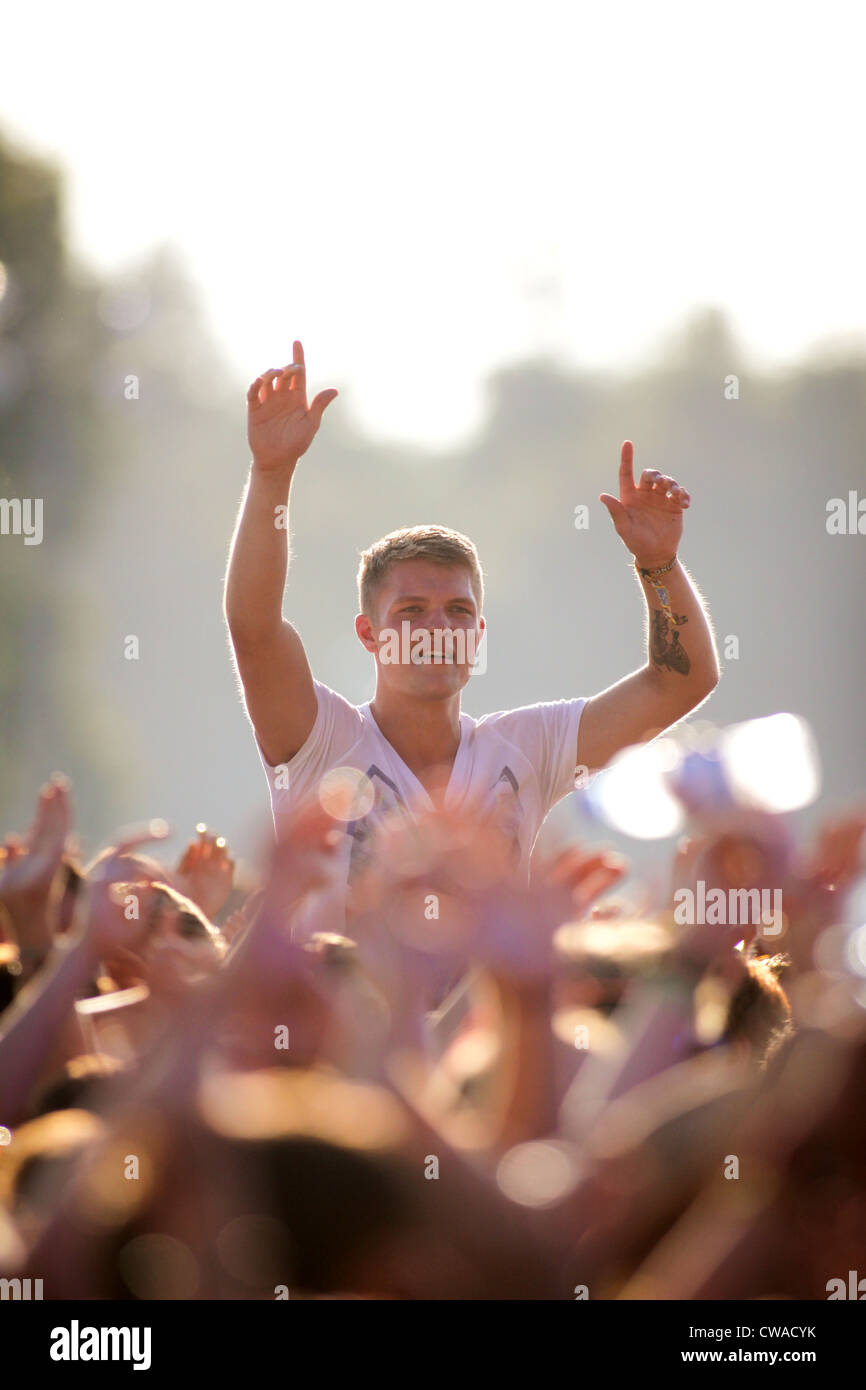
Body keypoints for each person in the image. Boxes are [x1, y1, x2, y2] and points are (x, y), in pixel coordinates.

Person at [223, 340, 720, 931]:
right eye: (411, 610)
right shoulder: (319, 738)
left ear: (479, 634)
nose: (437, 626)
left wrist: (659, 565)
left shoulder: (527, 748)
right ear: (369, 634)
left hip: (479, 1029)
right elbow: (253, 628)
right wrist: (272, 473)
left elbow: (681, 682)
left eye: (458, 610)